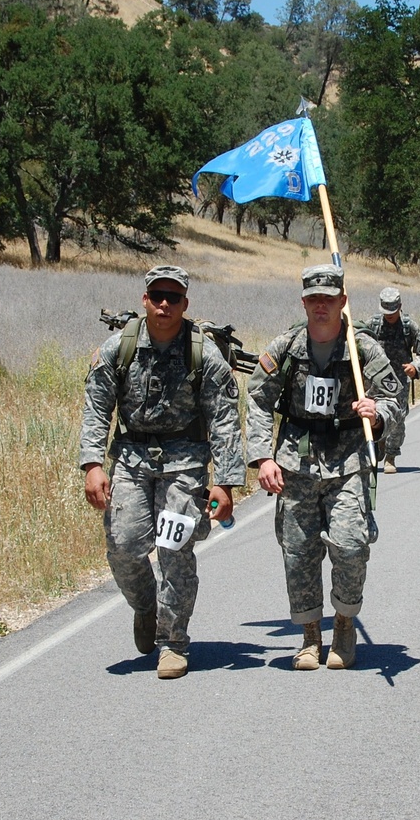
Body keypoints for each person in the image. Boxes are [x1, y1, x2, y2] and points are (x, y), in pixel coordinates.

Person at [80, 265, 246, 680]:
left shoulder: (203, 353)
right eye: (158, 296)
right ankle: (145, 606)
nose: (165, 305)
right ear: (145, 300)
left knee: (175, 551)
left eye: (174, 297)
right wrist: (92, 465)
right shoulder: (119, 348)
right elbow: (97, 407)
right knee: (123, 546)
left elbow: (225, 419)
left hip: (185, 462)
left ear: (185, 304)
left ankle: (173, 642)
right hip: (132, 459)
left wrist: (225, 484)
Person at [246, 264, 401, 671]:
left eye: (328, 299)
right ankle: (310, 635)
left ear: (342, 302)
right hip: (296, 462)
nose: (320, 306)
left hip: (349, 459)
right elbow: (258, 399)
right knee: (298, 552)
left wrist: (378, 413)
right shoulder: (286, 347)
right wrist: (263, 457)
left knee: (351, 546)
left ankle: (345, 623)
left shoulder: (361, 347)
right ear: (304, 302)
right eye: (313, 299)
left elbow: (393, 399)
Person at [365, 287, 420, 474]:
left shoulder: (409, 326)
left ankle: (391, 456)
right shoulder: (373, 325)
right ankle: (378, 443)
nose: (389, 316)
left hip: (398, 382)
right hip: (374, 380)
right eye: (386, 311)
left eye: (393, 312)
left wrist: (415, 367)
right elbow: (358, 346)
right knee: (372, 415)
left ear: (400, 307)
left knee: (398, 418)